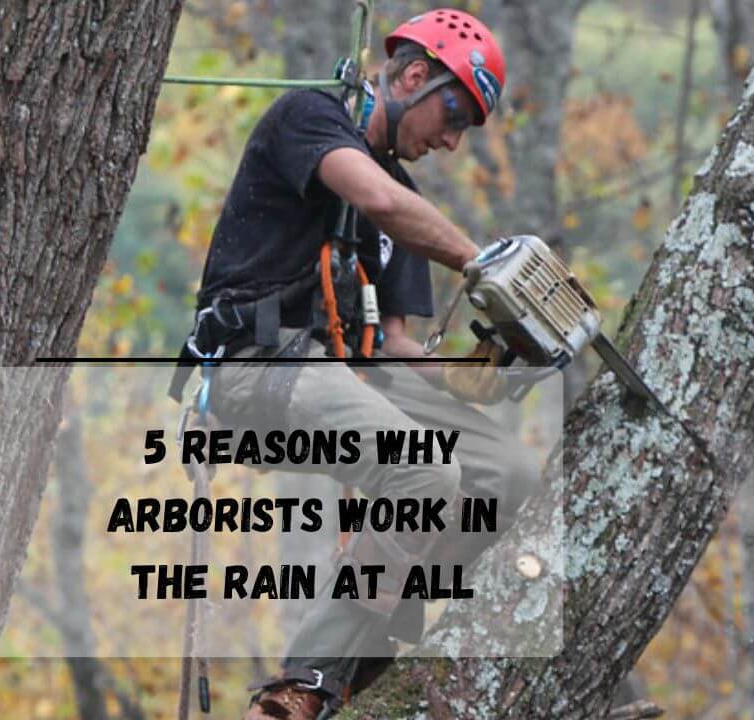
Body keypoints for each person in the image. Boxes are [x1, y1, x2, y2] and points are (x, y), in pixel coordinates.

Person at [171, 9, 535, 719]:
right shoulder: (309, 120)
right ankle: (304, 682)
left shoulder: (405, 204)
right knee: (424, 470)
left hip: (342, 369)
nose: (452, 141)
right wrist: (481, 262)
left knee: (506, 474)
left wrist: (475, 377)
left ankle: (365, 633)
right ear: (413, 75)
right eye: (454, 116)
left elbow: (392, 346)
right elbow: (374, 196)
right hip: (255, 361)